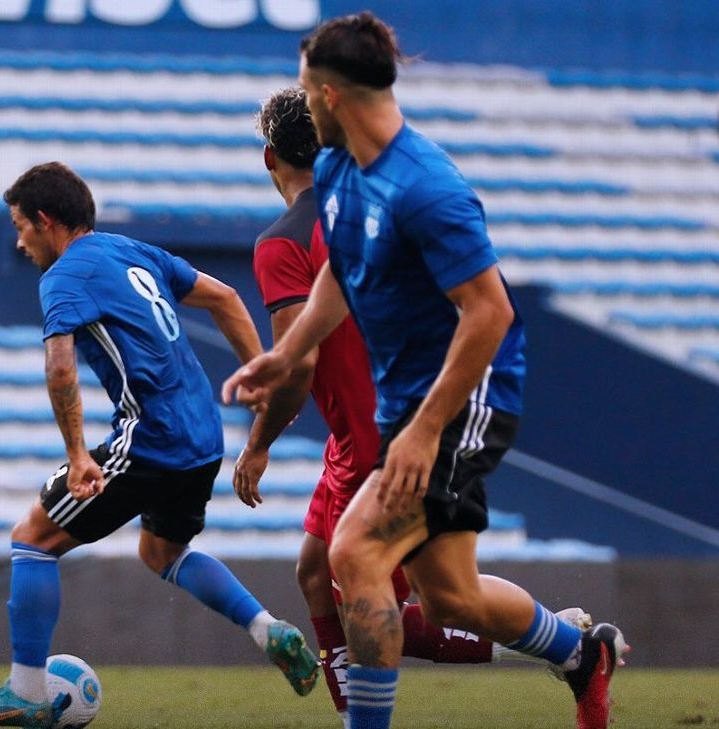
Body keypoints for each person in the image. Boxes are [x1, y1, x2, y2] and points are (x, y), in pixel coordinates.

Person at [222, 14, 626, 729]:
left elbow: (490, 313)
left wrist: (425, 428)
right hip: (409, 398)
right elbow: (342, 277)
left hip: (463, 394)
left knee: (353, 555)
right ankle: (580, 653)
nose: (304, 100)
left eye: (308, 87)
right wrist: (288, 353)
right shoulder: (344, 169)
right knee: (449, 598)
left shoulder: (427, 185)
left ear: (331, 93)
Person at [0, 161, 320, 728]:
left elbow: (59, 367)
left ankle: (25, 692)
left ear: (47, 221)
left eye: (21, 226)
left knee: (33, 538)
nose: (20, 241)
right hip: (202, 437)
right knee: (161, 553)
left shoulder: (65, 274)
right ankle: (266, 627)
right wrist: (261, 377)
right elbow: (224, 298)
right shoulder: (133, 251)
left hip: (152, 436)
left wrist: (77, 457)